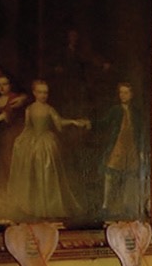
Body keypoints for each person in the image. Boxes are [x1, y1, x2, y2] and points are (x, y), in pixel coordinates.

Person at [6, 80, 90, 220]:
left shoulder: (49, 109)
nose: (43, 95)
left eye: (45, 92)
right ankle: (33, 206)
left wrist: (73, 121)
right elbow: (28, 127)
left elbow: (59, 123)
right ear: (34, 93)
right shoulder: (30, 109)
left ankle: (48, 205)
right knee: (32, 173)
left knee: (46, 172)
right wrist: (20, 140)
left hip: (46, 144)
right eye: (40, 92)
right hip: (32, 143)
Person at [96, 82, 149, 218]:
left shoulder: (136, 112)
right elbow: (104, 122)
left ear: (131, 95)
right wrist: (89, 124)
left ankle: (125, 205)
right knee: (110, 174)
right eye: (121, 92)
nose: (123, 95)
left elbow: (141, 131)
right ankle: (106, 204)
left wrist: (142, 151)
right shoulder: (115, 110)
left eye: (126, 92)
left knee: (129, 176)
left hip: (131, 146)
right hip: (118, 145)